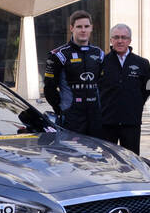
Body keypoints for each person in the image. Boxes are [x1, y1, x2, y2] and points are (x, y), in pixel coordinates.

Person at [43, 10, 106, 138]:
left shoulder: (99, 53)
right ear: (71, 28)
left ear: (91, 28)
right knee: (73, 156)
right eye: (79, 27)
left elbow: (103, 84)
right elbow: (49, 88)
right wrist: (61, 109)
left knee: (96, 155)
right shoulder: (58, 55)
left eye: (86, 26)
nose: (83, 30)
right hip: (72, 116)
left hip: (95, 117)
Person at [99, 23, 150, 154]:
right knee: (106, 163)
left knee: (131, 163)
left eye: (124, 37)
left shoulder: (142, 63)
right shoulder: (101, 62)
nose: (120, 41)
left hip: (131, 123)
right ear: (111, 40)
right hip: (107, 123)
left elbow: (146, 89)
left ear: (130, 40)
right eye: (116, 37)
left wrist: (135, 104)